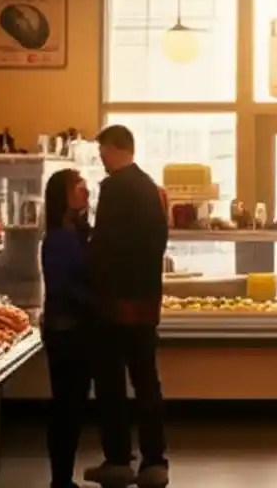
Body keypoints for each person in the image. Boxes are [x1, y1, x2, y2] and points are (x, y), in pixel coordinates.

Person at [84, 125, 170, 488]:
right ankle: (155, 462)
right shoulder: (151, 189)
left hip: (114, 303)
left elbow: (104, 247)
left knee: (110, 383)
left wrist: (92, 278)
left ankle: (118, 459)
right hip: (147, 301)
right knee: (146, 381)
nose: (100, 157)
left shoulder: (114, 189)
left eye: (102, 149)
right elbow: (159, 243)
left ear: (115, 148)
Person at [39, 168, 95, 488]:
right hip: (67, 332)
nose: (85, 191)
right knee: (66, 408)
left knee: (72, 407)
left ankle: (63, 478)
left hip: (75, 329)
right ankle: (60, 479)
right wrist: (99, 301)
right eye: (78, 186)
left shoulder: (75, 233)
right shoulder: (59, 239)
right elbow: (63, 287)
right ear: (64, 195)